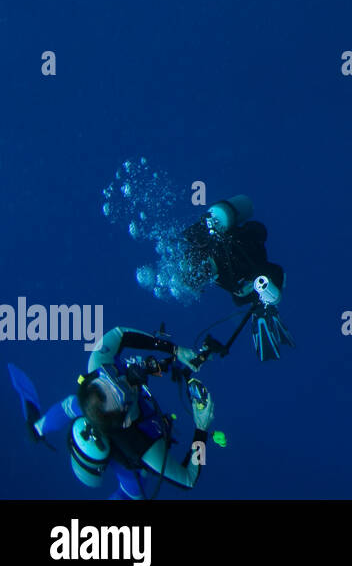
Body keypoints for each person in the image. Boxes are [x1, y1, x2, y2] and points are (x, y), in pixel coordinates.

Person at [8, 327, 215, 499]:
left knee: (71, 405)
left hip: (89, 412)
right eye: (122, 393)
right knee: (133, 490)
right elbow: (188, 479)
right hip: (129, 466)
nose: (125, 380)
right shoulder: (146, 450)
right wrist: (202, 429)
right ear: (126, 421)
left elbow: (119, 334)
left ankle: (36, 428)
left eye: (110, 375)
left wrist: (174, 349)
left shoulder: (97, 365)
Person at [179, 196, 293, 362]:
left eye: (203, 275)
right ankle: (263, 304)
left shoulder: (234, 257)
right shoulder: (199, 249)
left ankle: (264, 307)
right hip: (235, 255)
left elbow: (273, 271)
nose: (206, 276)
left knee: (248, 291)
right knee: (239, 298)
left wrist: (262, 300)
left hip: (247, 254)